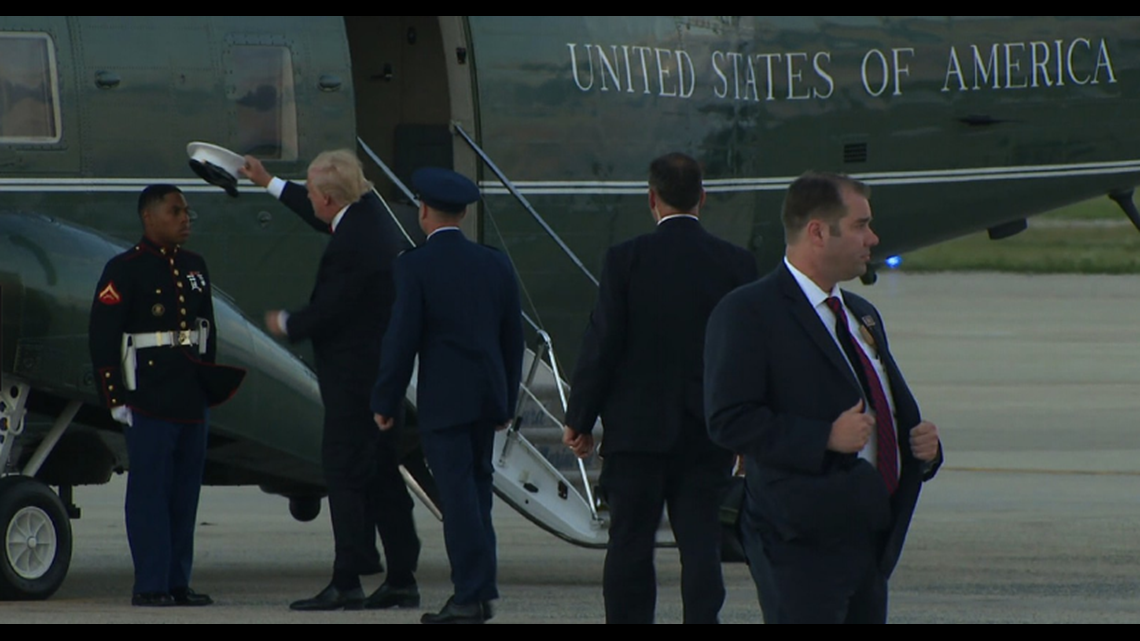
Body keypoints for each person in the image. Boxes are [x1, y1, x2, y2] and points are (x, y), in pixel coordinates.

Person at [703, 172, 944, 624]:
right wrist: (823, 437)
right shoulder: (749, 312)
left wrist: (923, 450)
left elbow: (890, 408)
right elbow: (727, 419)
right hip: (797, 544)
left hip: (869, 540)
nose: (872, 237)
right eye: (860, 225)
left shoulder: (860, 314)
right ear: (817, 231)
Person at [561, 152, 758, 624]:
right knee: (702, 544)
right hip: (705, 432)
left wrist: (580, 419)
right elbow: (747, 353)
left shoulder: (625, 260)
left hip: (637, 433)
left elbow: (603, 343)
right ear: (702, 199)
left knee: (629, 544)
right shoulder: (735, 263)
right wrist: (748, 429)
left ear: (652, 198)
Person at [241, 151, 421, 611]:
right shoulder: (366, 215)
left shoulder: (351, 247)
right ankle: (402, 578)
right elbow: (318, 212)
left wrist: (288, 322)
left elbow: (332, 310)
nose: (310, 197)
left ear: (327, 198)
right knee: (383, 476)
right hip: (382, 377)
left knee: (342, 473)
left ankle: (348, 579)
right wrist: (268, 182)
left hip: (354, 382)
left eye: (311, 190)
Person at [372, 167, 523, 625]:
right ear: (461, 213)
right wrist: (506, 402)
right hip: (486, 399)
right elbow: (511, 340)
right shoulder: (496, 262)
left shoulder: (414, 265)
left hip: (445, 403)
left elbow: (402, 340)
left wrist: (385, 399)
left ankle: (469, 596)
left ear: (423, 211)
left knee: (458, 501)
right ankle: (480, 591)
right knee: (478, 498)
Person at [88, 185, 245, 607]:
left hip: (189, 396)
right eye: (175, 211)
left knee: (184, 493)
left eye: (186, 211)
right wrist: (114, 395)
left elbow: (205, 331)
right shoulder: (125, 268)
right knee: (150, 493)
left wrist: (207, 383)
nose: (185, 218)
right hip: (149, 396)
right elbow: (103, 335)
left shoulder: (195, 266)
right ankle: (151, 583)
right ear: (149, 217)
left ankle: (178, 581)